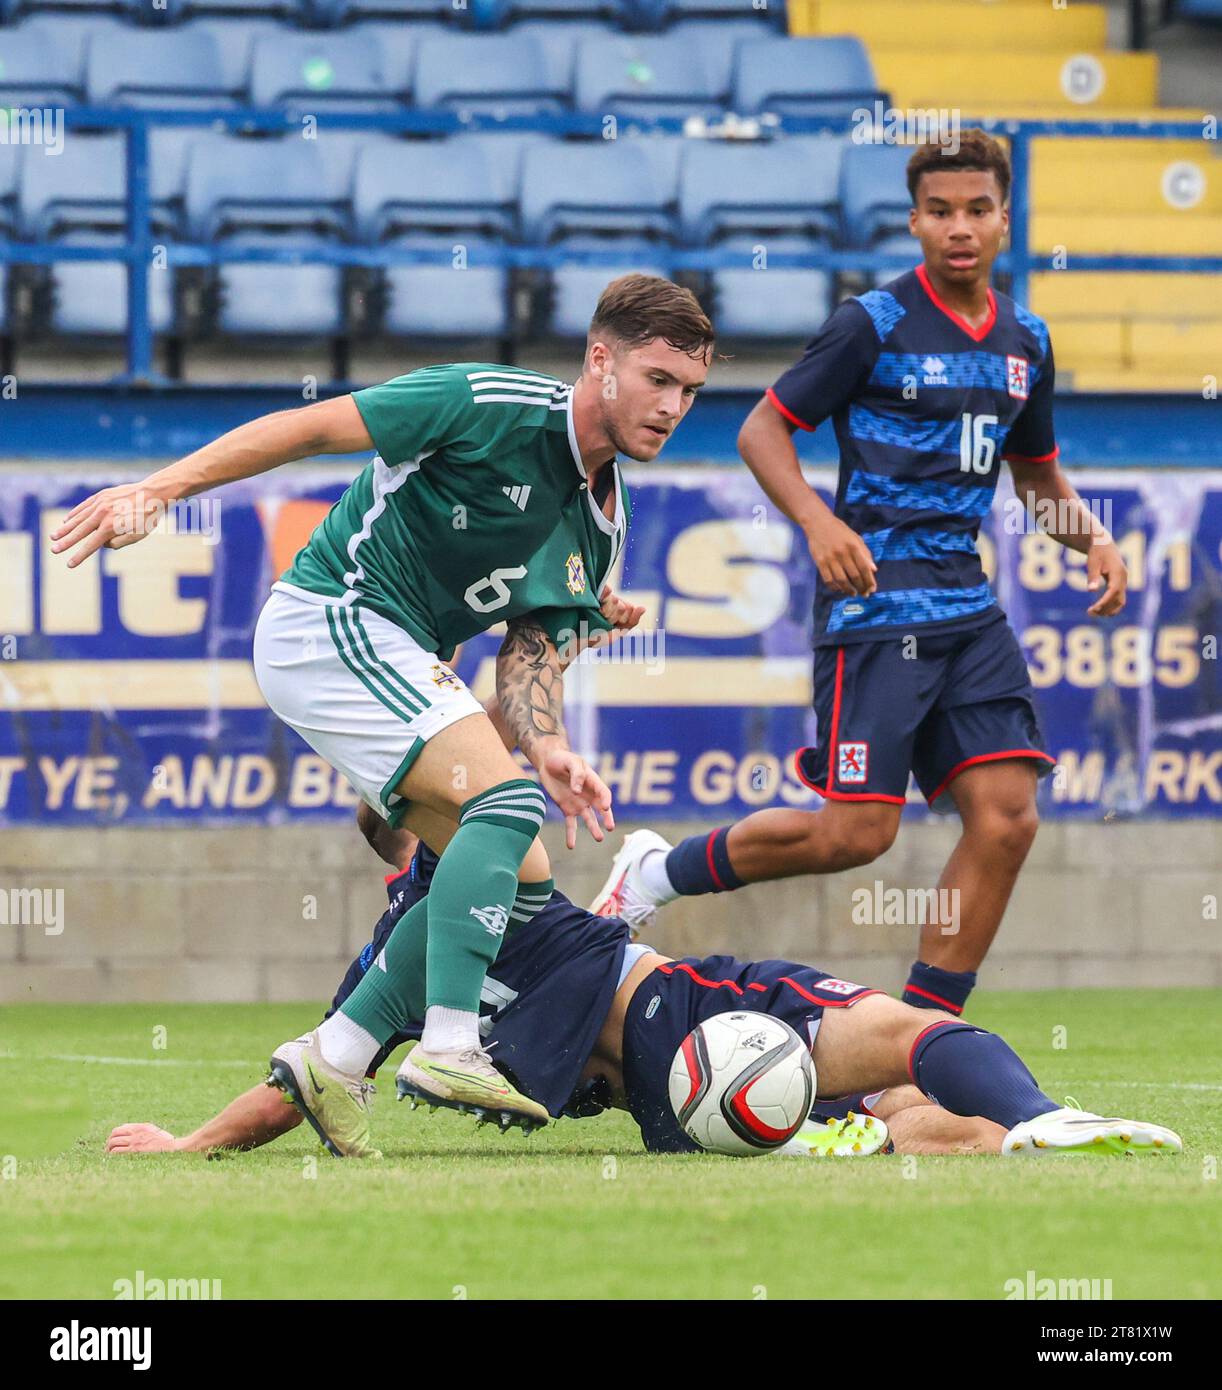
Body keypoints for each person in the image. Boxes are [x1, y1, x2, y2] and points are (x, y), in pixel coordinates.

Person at [53, 274, 712, 1136]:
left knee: (520, 872)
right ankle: (446, 1044)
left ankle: (335, 1055)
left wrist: (548, 746)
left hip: (391, 654)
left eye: (690, 391)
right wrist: (163, 491)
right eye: (658, 379)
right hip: (332, 617)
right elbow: (312, 426)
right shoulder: (487, 400)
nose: (672, 406)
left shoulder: (604, 520)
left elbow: (528, 656)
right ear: (601, 360)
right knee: (502, 805)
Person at [591, 131, 1129, 1021]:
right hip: (875, 604)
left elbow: (1035, 476)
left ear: (1005, 219)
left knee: (1007, 817)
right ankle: (658, 870)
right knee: (855, 835)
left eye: (978, 210)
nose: (960, 227)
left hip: (969, 609)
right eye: (941, 211)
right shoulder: (871, 322)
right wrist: (818, 521)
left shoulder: (1027, 339)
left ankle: (919, 1043)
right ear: (915, 220)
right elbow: (763, 429)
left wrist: (1092, 540)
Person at [107, 808, 1181, 1163]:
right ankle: (1040, 1122)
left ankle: (1020, 1132)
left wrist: (190, 1146)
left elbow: (303, 1075)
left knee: (903, 1099)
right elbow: (307, 1074)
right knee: (903, 1044)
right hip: (679, 1036)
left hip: (668, 1068)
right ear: (428, 833)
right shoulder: (470, 886)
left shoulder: (408, 948)